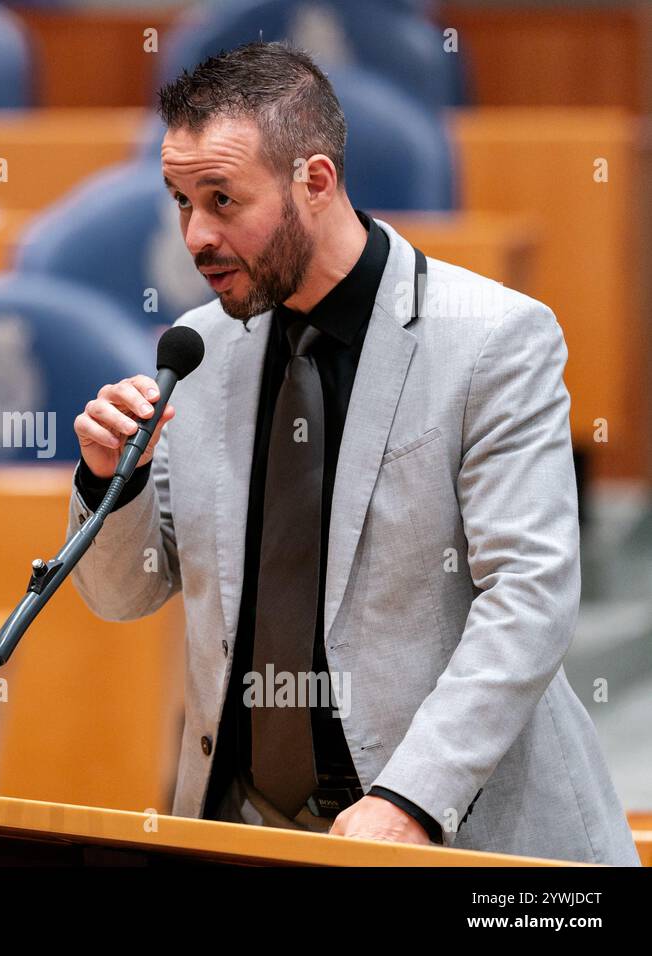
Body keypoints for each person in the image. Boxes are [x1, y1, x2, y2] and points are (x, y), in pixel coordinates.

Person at [66, 42, 639, 864]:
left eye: (223, 200)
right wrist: (108, 481)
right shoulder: (198, 349)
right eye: (181, 201)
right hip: (243, 832)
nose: (197, 235)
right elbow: (124, 597)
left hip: (456, 836)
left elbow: (531, 596)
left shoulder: (490, 341)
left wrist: (410, 799)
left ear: (317, 181)